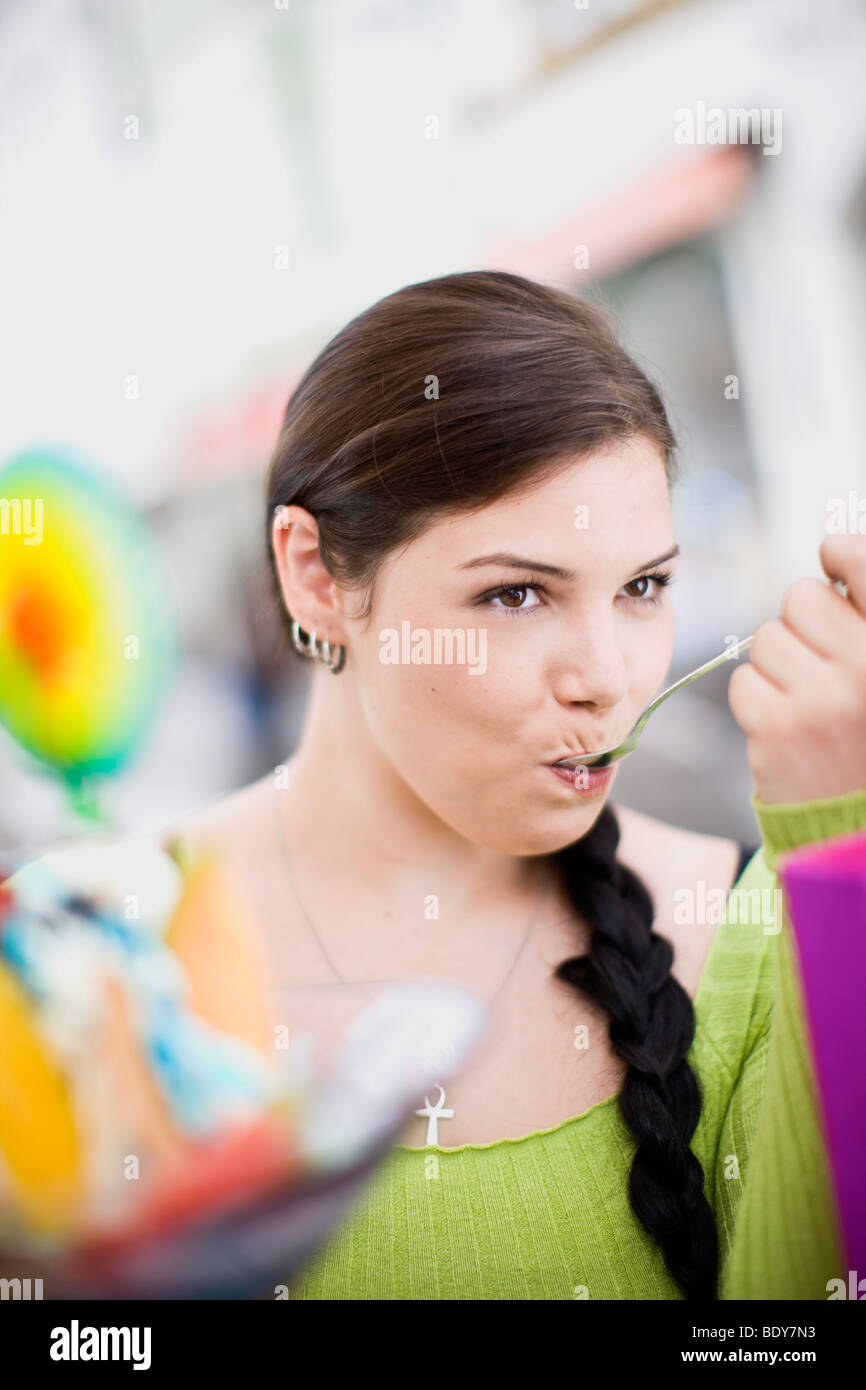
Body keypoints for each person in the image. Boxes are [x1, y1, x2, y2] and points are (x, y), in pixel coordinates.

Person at [165, 270, 866, 1300]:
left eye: (641, 587)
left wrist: (837, 839)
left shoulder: (755, 922)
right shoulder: (104, 964)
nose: (605, 679)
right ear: (315, 576)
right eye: (515, 593)